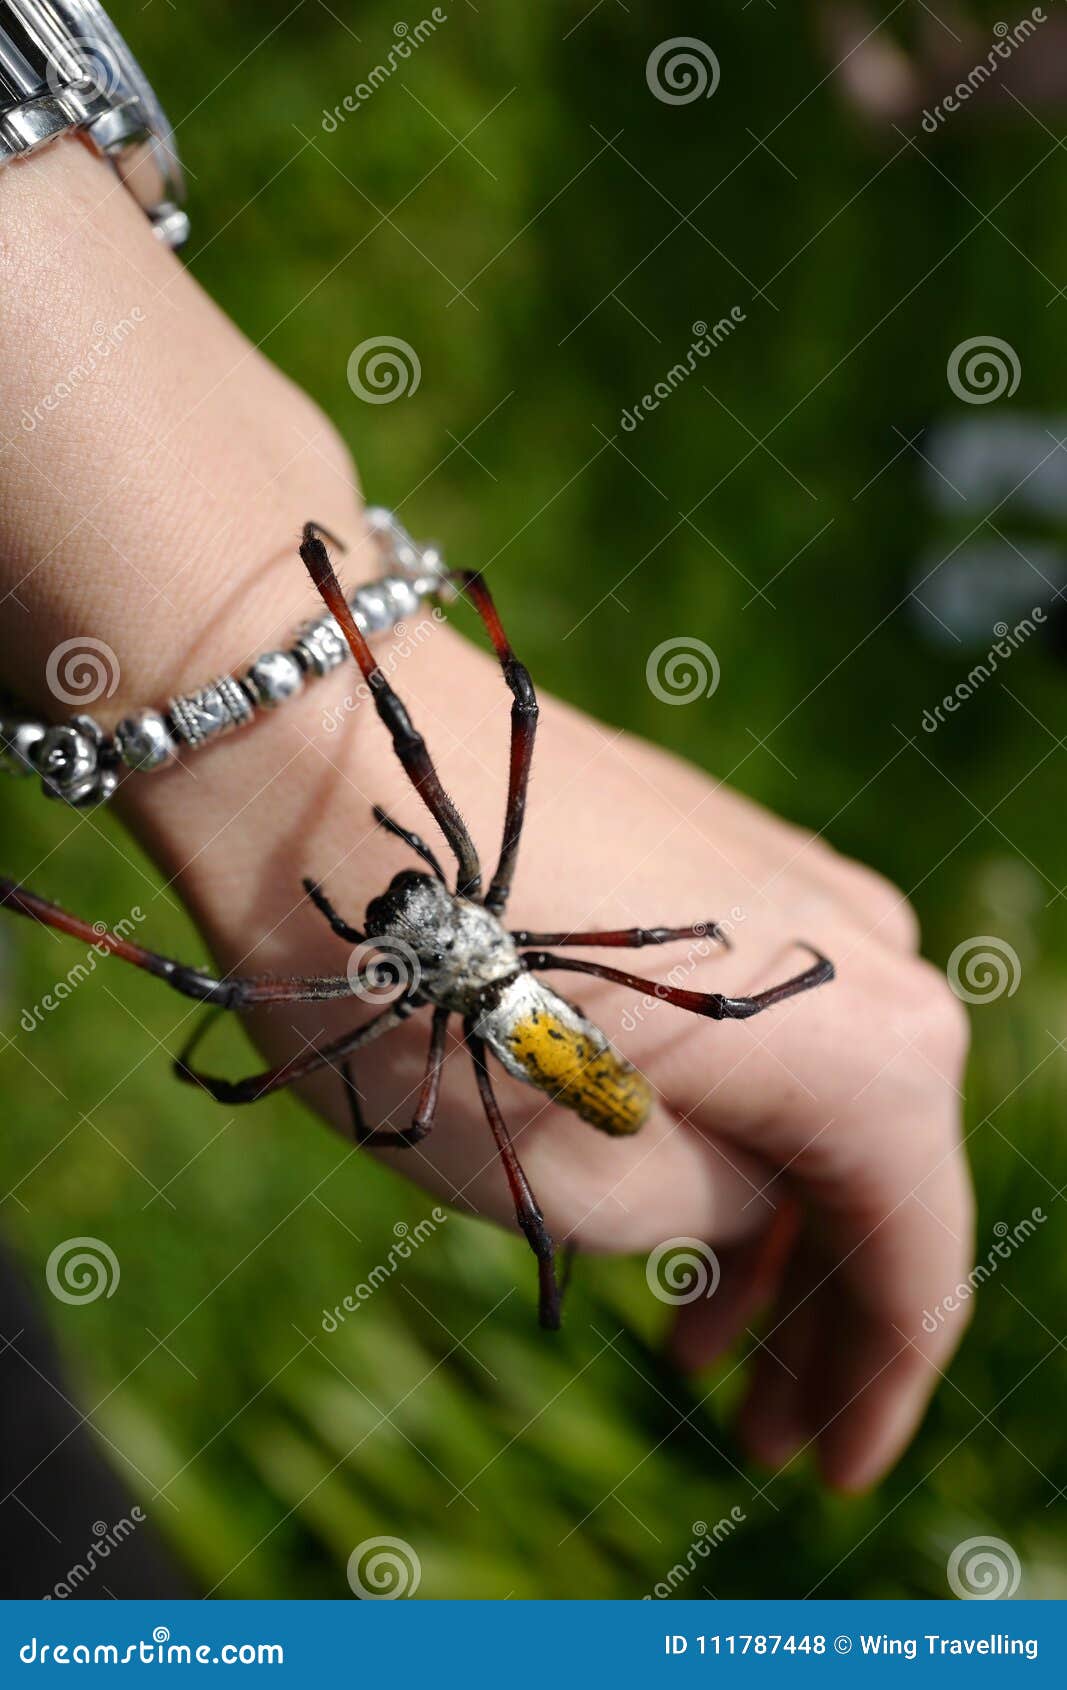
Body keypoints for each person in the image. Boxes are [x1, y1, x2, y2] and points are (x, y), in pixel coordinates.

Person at [0, 136, 972, 1497]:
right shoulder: (454, 940)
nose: (422, 900)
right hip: (514, 991)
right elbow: (507, 714)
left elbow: (349, 1051)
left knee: (312, 1014)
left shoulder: (435, 982)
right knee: (484, 814)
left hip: (517, 1006)